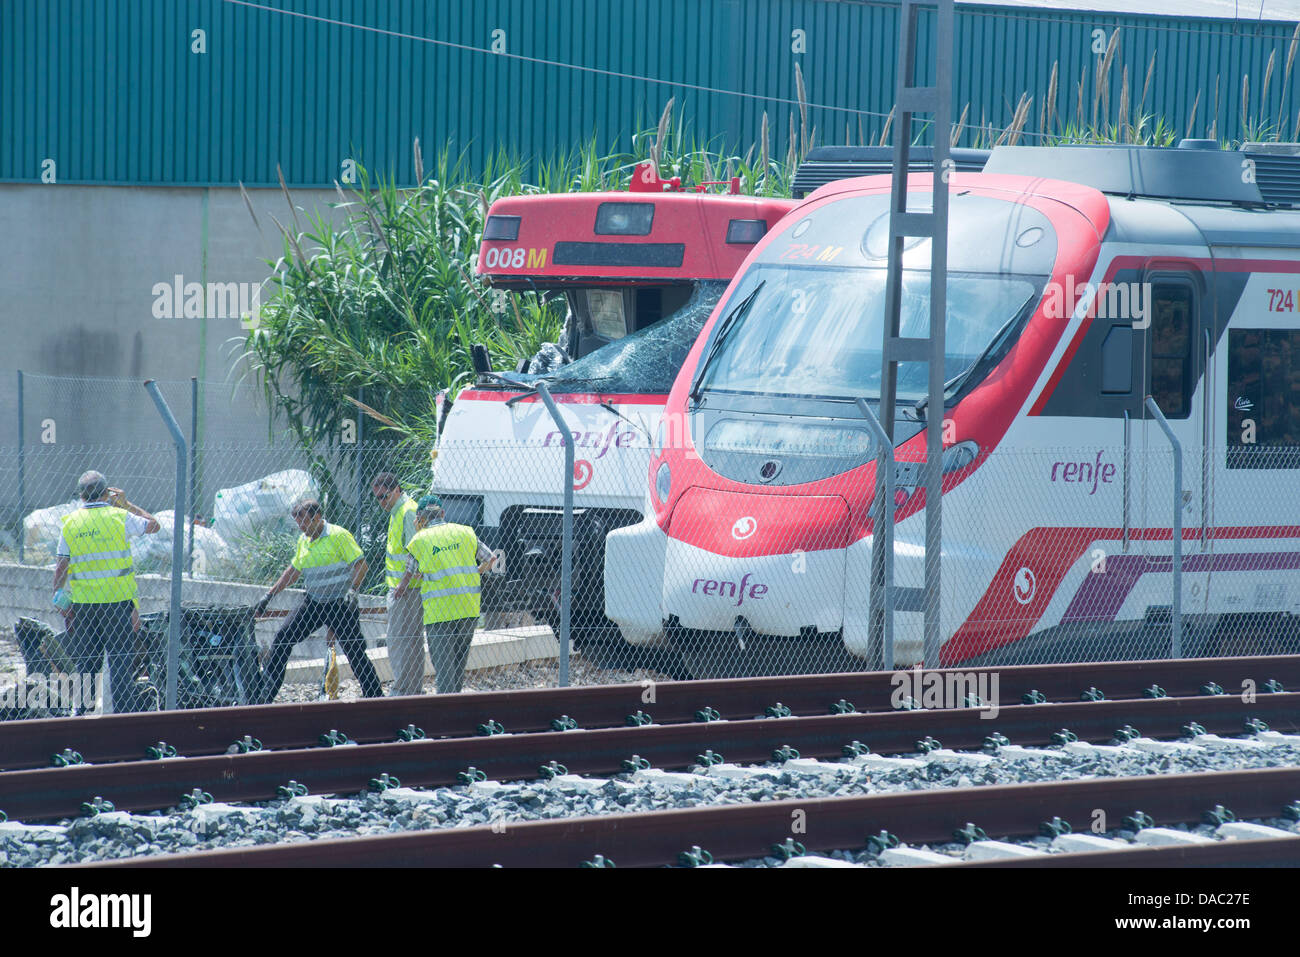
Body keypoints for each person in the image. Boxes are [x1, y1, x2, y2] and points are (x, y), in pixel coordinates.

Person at [253, 499, 383, 702]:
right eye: (298, 524)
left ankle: (375, 698)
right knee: (282, 638)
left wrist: (352, 592)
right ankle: (263, 697)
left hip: (341, 605)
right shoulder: (303, 540)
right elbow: (293, 571)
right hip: (313, 603)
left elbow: (361, 565)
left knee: (355, 652)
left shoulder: (338, 535)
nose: (301, 528)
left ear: (317, 517)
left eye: (304, 522)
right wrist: (269, 595)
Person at [52, 471, 160, 713]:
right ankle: (122, 720)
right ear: (106, 493)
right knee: (121, 662)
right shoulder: (119, 516)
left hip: (84, 606)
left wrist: (58, 598)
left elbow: (61, 565)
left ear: (81, 496)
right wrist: (126, 504)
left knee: (87, 664)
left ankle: (83, 715)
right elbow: (154, 525)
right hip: (118, 605)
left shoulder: (71, 522)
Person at [394, 494, 496, 693]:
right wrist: (474, 572)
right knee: (458, 666)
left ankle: (445, 710)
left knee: (444, 670)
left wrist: (400, 588)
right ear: (442, 513)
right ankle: (455, 707)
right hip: (468, 609)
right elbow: (491, 558)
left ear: (420, 518)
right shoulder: (465, 532)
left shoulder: (419, 540)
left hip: (439, 614)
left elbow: (409, 574)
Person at [371, 471, 425, 696]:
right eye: (378, 498)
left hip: (407, 589)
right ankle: (410, 689)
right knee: (408, 641)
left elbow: (416, 553)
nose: (382, 502)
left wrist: (403, 583)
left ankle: (403, 690)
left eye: (385, 496)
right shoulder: (398, 511)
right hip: (403, 588)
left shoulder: (407, 511)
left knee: (400, 641)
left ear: (396, 490)